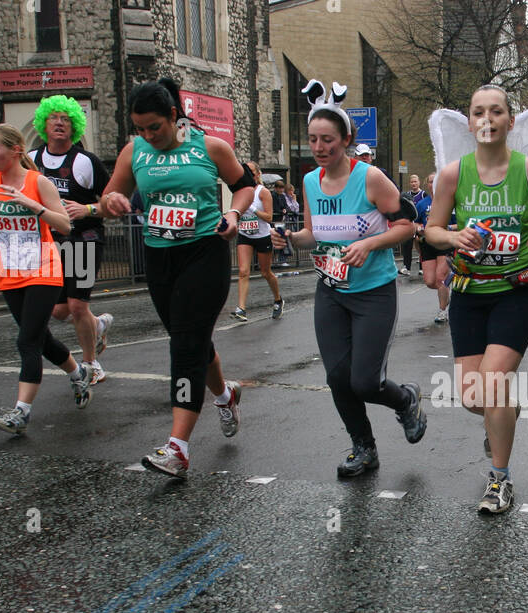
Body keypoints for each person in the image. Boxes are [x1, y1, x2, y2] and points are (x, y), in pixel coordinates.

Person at [424, 84, 528, 513]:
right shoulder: (452, 175)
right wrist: (452, 236)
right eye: (478, 112)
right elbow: (432, 230)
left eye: (495, 112)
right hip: (467, 293)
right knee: (472, 397)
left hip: (515, 291)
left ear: (509, 121)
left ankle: (499, 480)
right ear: (469, 122)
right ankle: (506, 415)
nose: (487, 119)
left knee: (492, 385)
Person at [268, 79, 425, 479]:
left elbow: (408, 225)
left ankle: (405, 400)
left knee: (365, 381)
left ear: (347, 139)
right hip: (331, 290)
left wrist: (370, 245)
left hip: (373, 292)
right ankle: (363, 448)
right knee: (338, 377)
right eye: (313, 139)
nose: (319, 148)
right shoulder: (308, 181)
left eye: (328, 140)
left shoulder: (369, 178)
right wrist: (288, 237)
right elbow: (312, 234)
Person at [98, 78, 255, 477]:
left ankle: (177, 447)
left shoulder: (210, 147)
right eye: (140, 129)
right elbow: (110, 195)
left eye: (155, 127)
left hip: (204, 251)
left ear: (173, 116)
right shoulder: (134, 152)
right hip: (159, 256)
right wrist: (111, 201)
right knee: (191, 339)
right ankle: (224, 395)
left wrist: (234, 214)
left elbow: (245, 186)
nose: (148, 136)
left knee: (185, 344)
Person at [0, 124, 93, 434]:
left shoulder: (38, 182)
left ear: (16, 150)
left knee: (27, 341)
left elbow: (64, 225)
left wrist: (33, 206)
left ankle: (21, 412)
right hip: (7, 271)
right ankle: (78, 374)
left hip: (42, 270)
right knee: (40, 338)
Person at [28, 95, 113, 385]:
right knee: (59, 311)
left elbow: (113, 203)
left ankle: (91, 364)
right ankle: (98, 324)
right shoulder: (31, 160)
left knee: (77, 306)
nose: (60, 123)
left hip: (84, 239)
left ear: (74, 125)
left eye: (66, 119)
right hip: (49, 242)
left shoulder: (86, 162)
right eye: (55, 118)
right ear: (44, 123)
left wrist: (87, 208)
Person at [231, 161, 284, 321]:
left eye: (251, 172)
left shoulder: (263, 192)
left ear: (257, 174)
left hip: (262, 235)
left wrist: (253, 208)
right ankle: (241, 309)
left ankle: (278, 300)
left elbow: (269, 217)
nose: (249, 175)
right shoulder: (239, 191)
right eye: (245, 171)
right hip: (245, 234)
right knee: (243, 271)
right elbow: (236, 213)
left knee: (265, 272)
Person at [414, 171, 451, 323]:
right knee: (430, 281)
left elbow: (461, 223)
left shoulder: (449, 201)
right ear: (427, 185)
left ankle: (442, 311)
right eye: (430, 181)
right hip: (427, 244)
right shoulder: (422, 204)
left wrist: (447, 227)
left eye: (436, 181)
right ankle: (448, 290)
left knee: (440, 278)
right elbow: (414, 222)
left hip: (444, 242)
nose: (433, 183)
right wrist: (418, 228)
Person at [399, 174, 424, 275]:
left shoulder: (423, 194)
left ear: (419, 182)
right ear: (410, 183)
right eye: (412, 182)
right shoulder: (407, 195)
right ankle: (407, 268)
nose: (414, 183)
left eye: (415, 181)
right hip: (410, 224)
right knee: (407, 245)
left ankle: (423, 267)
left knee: (422, 246)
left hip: (420, 224)